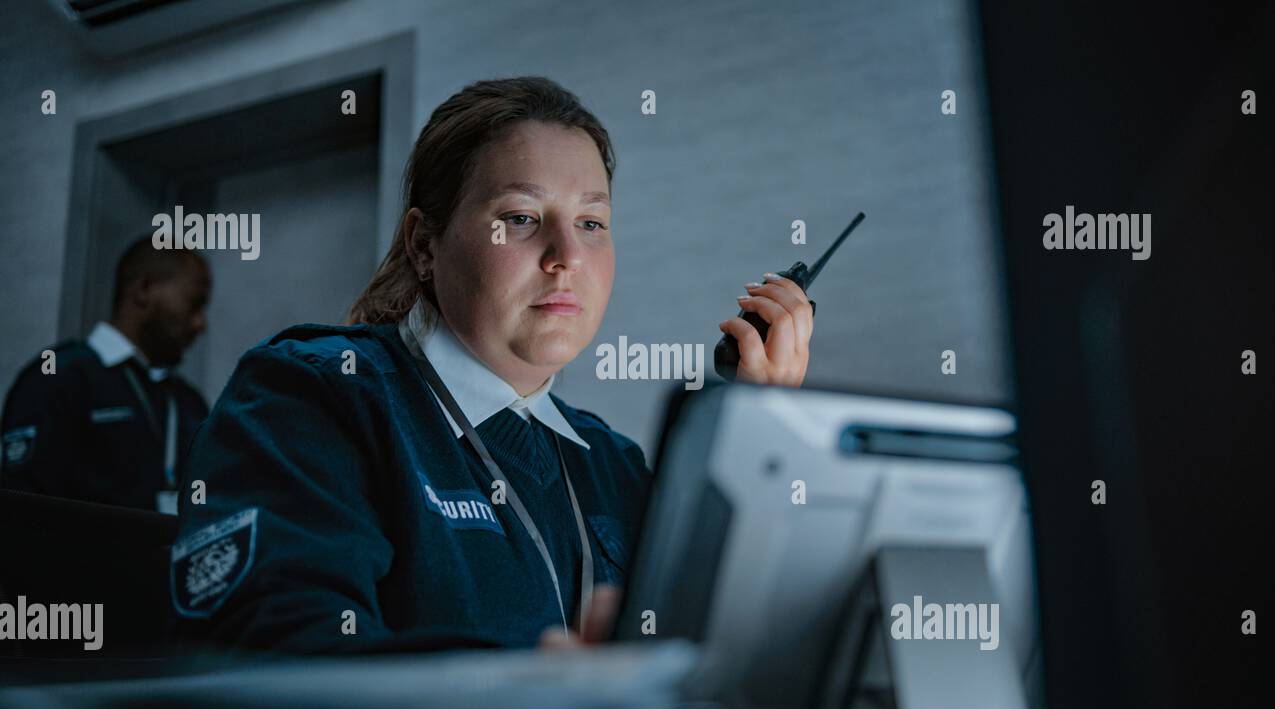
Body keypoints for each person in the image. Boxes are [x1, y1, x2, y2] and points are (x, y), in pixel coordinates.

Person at [170, 76, 813, 655]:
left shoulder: (615, 464)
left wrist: (754, 448)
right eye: (521, 217)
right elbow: (275, 662)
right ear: (425, 245)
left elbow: (728, 661)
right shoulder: (311, 394)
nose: (568, 256)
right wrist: (534, 697)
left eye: (592, 222)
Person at [1, 238, 211, 512]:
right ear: (144, 290)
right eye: (194, 304)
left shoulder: (188, 401)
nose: (200, 324)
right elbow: (20, 510)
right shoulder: (58, 378)